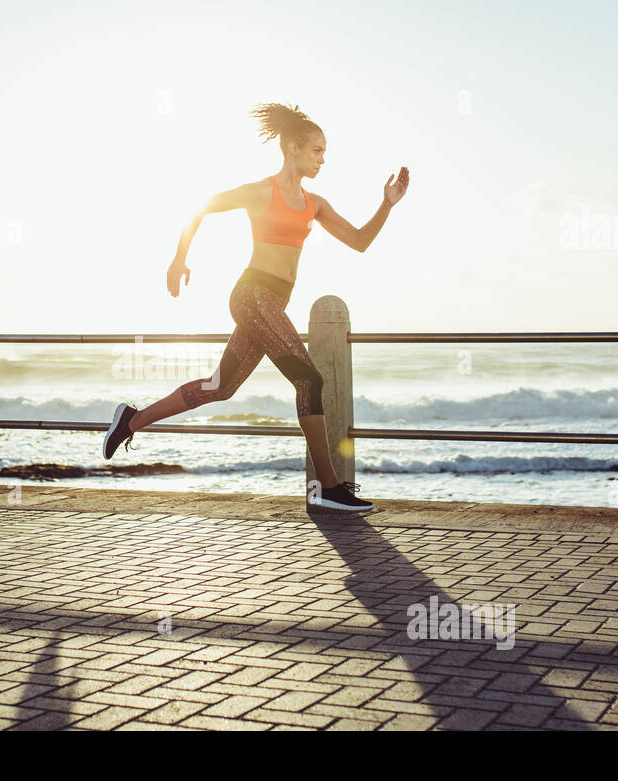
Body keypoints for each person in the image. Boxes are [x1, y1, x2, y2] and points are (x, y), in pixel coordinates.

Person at [103, 102, 410, 513]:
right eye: (317, 150)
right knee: (311, 382)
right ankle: (326, 488)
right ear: (292, 148)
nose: (323, 158)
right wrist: (179, 259)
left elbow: (358, 241)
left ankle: (132, 420)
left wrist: (387, 204)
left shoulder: (315, 203)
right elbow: (201, 207)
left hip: (270, 303)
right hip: (252, 296)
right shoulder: (260, 191)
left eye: (324, 151)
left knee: (220, 388)